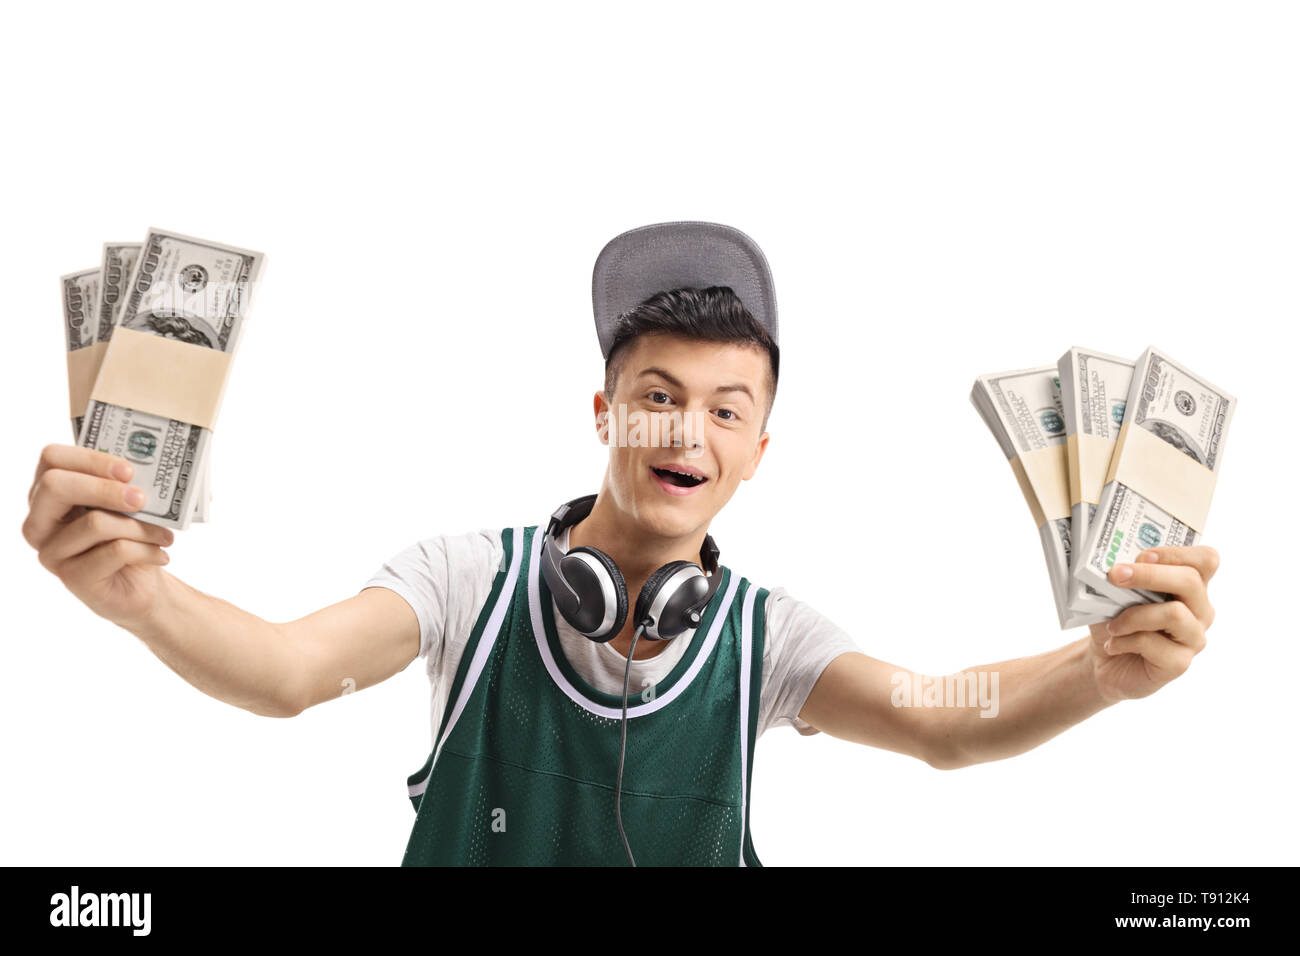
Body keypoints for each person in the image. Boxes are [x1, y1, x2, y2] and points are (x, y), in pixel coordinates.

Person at [20, 222, 1220, 866]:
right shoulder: (468, 579)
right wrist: (139, 595)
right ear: (604, 415)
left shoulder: (767, 637)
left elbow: (934, 713)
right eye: (656, 394)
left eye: (725, 408)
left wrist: (1096, 673)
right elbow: (289, 670)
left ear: (756, 450)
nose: (685, 428)